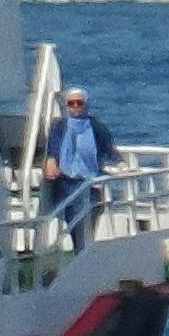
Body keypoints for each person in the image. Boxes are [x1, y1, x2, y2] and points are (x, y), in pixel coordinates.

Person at [48, 85, 108, 248]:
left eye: (79, 103)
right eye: (71, 103)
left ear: (85, 104)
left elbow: (107, 147)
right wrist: (51, 160)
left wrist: (121, 164)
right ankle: (80, 252)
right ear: (66, 106)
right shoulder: (60, 126)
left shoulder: (94, 125)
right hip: (68, 182)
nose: (75, 107)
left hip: (91, 180)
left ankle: (84, 251)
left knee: (91, 214)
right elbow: (53, 147)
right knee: (75, 217)